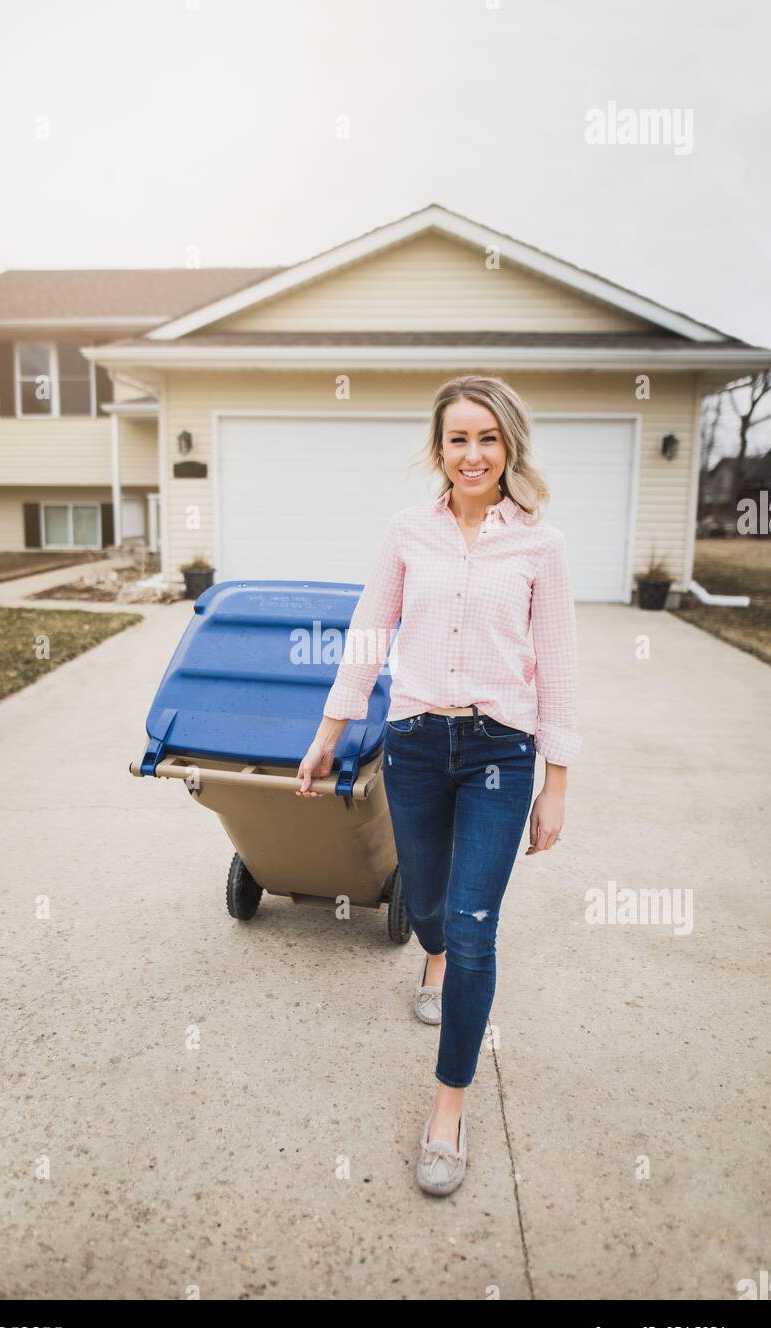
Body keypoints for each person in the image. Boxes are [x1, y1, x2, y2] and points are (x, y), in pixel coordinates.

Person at [295, 374, 581, 1197]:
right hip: (417, 743)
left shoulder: (540, 547)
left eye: (487, 438)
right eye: (458, 438)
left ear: (509, 446)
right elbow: (367, 636)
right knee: (426, 904)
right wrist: (329, 735)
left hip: (501, 748)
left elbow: (558, 666)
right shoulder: (405, 534)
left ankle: (448, 1108)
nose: (472, 454)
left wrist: (556, 783)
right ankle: (432, 957)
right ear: (439, 448)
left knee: (474, 925)